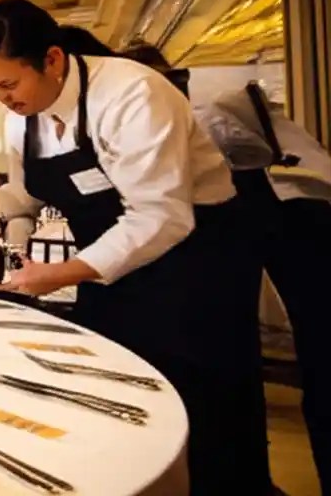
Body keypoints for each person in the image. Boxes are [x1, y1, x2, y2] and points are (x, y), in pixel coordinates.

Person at [0, 0, 269, 494]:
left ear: (52, 59)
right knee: (121, 389)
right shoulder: (21, 117)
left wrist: (63, 272)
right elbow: (24, 195)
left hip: (196, 261)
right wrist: (2, 233)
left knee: (204, 402)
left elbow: (162, 216)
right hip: (109, 268)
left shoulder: (133, 93)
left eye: (8, 83)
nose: (2, 97)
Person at [125, 44, 330, 490]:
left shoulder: (201, 106)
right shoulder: (203, 101)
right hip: (285, 212)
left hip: (292, 214)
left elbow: (234, 164)